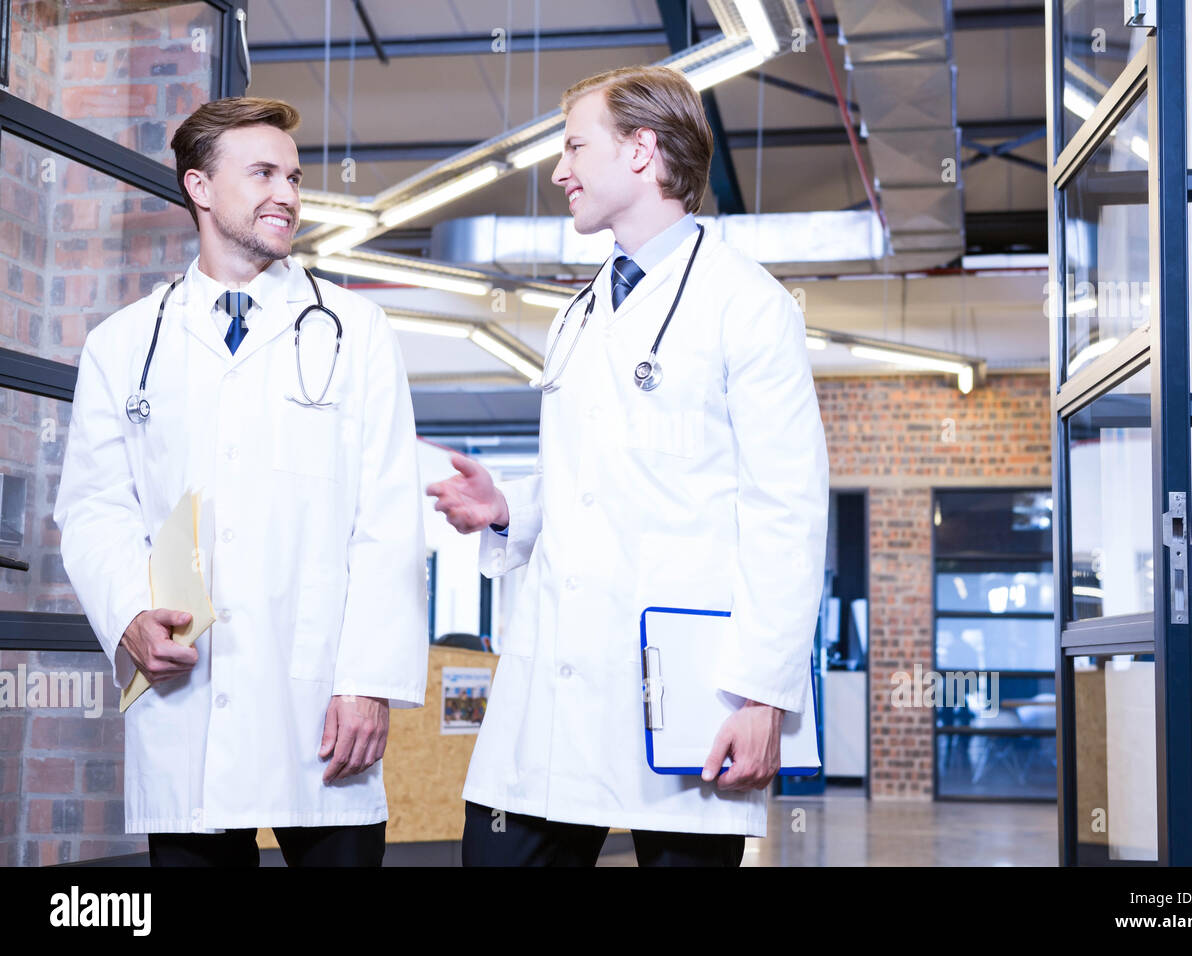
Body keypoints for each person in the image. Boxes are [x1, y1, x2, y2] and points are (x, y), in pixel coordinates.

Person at [428, 66, 829, 867]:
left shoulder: (749, 304)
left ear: (642, 150)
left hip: (686, 689)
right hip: (553, 684)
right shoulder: (577, 316)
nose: (560, 170)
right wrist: (508, 506)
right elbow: (601, 482)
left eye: (576, 146)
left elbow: (787, 507)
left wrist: (764, 697)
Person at [53, 97, 429, 867]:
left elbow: (388, 520)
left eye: (293, 176)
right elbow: (95, 509)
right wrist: (128, 613)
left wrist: (368, 681)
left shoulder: (355, 335)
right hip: (187, 699)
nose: (287, 194)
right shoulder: (124, 344)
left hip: (320, 704)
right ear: (199, 187)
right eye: (262, 173)